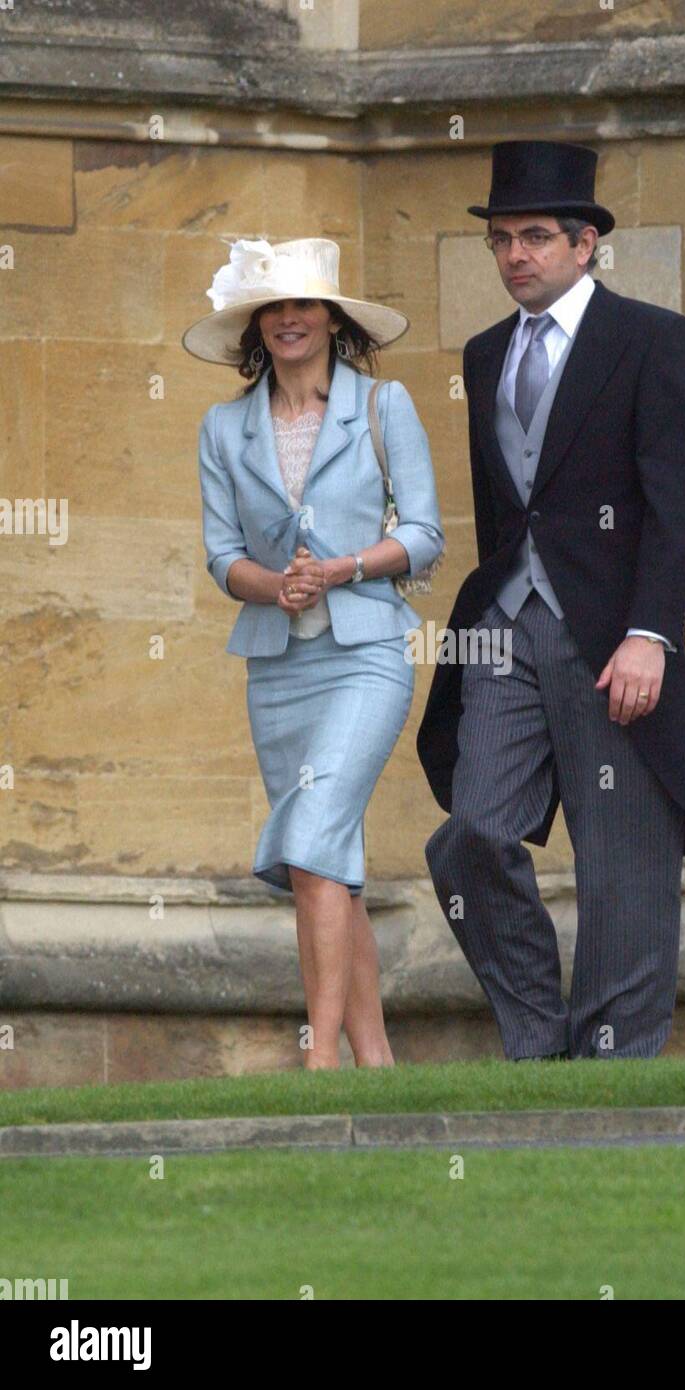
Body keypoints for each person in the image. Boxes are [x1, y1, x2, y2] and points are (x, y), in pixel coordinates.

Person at [417, 141, 685, 1061]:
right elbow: (507, 511)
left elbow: (676, 501)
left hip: (613, 637)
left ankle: (613, 1076)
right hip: (504, 630)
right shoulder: (483, 354)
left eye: (535, 236)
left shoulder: (652, 340)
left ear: (585, 244)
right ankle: (540, 1043)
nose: (515, 255)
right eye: (500, 239)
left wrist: (650, 633)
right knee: (470, 837)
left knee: (623, 867)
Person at [184, 236, 444, 1070]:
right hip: (278, 669)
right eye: (274, 306)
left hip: (366, 655)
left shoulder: (382, 405)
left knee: (312, 840)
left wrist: (342, 568)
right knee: (323, 862)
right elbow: (222, 556)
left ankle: (319, 1059)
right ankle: (376, 1063)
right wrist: (275, 586)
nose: (290, 319)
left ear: (332, 319)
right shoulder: (224, 428)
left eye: (305, 305)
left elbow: (425, 536)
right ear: (256, 325)